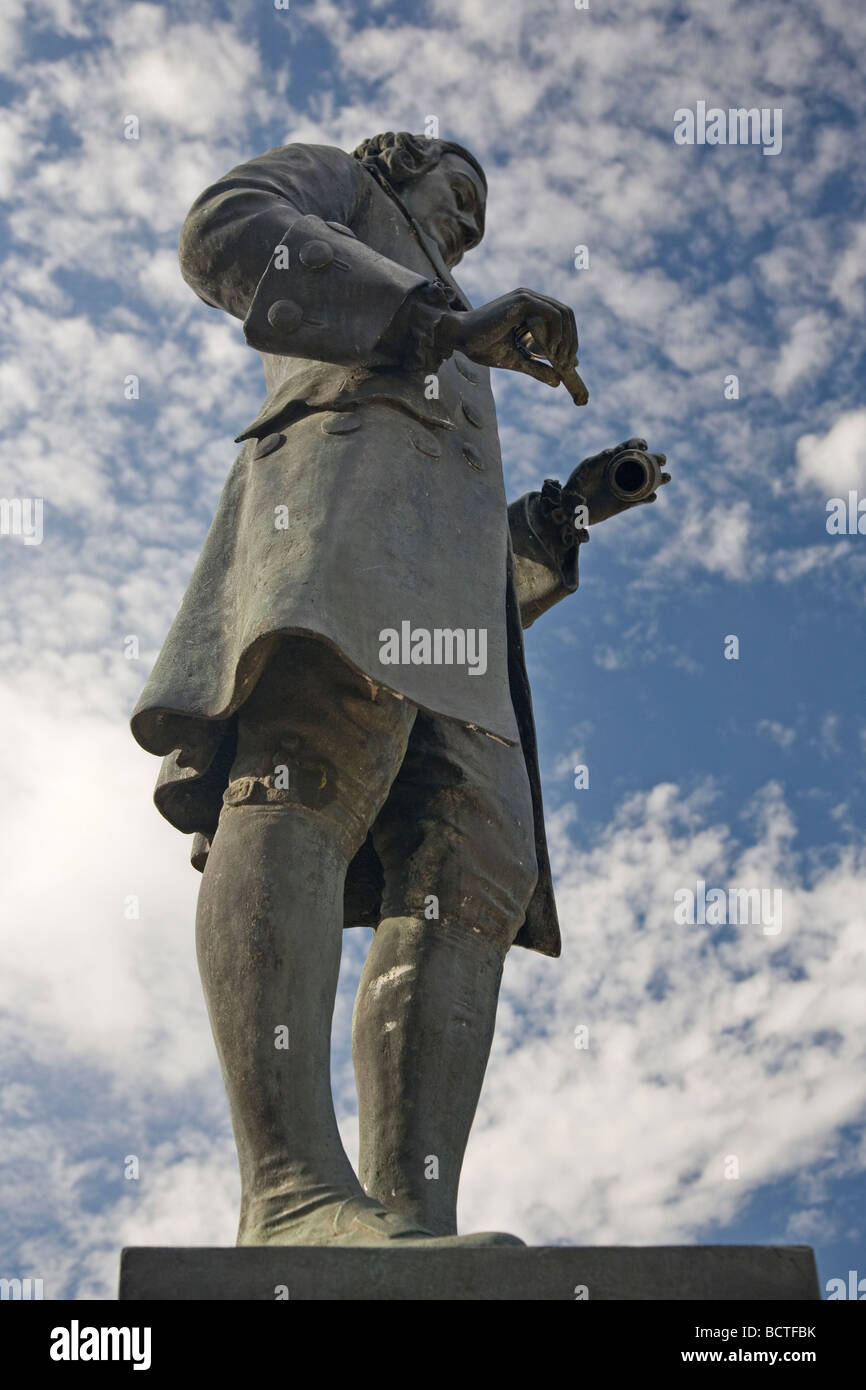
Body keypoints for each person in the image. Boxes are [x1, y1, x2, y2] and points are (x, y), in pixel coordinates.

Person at [130, 130, 668, 1247]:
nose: (468, 224)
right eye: (459, 194)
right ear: (404, 161)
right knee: (305, 780)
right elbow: (222, 231)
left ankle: (412, 1218)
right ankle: (288, 1191)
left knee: (476, 864)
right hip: (328, 538)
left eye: (478, 220)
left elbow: (469, 555)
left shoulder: (467, 323)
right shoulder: (347, 191)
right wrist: (431, 318)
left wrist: (571, 509)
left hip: (456, 638)